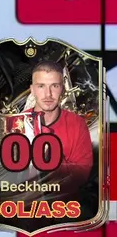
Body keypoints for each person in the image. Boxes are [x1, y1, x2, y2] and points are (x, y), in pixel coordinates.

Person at [28, 59, 93, 192]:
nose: (48, 94)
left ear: (62, 89)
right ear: (32, 90)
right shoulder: (16, 123)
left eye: (55, 86)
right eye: (41, 86)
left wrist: (52, 160)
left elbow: (82, 174)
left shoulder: (77, 124)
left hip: (64, 202)